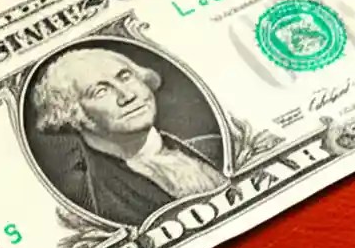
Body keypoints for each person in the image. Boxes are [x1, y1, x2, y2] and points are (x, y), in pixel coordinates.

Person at [31, 47, 227, 225]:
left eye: (125, 77)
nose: (128, 95)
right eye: (101, 91)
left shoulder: (213, 148)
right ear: (72, 115)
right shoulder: (89, 207)